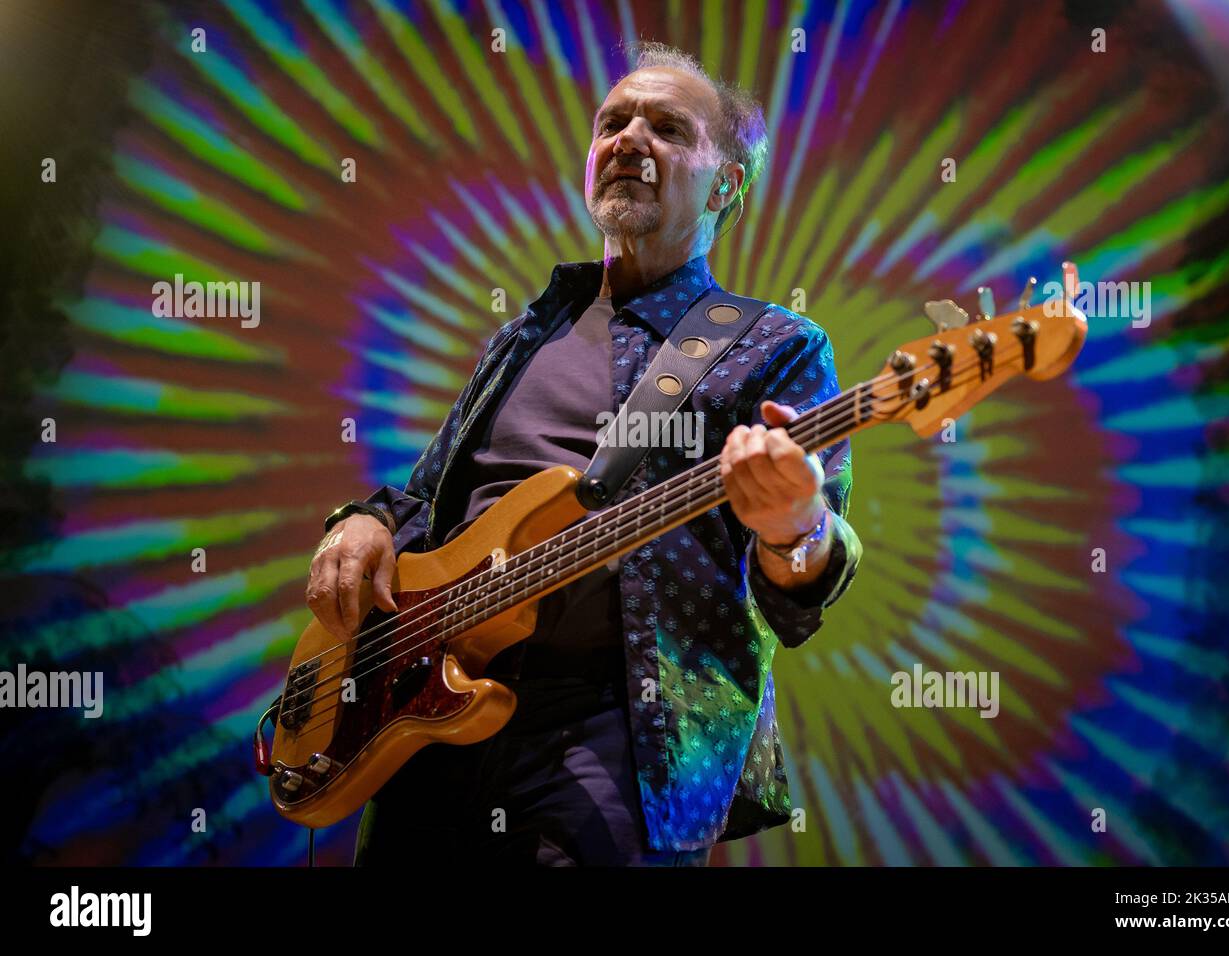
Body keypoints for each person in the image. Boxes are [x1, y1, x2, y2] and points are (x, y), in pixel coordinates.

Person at [306, 42, 861, 866]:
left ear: (728, 183)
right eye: (614, 122)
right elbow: (426, 499)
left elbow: (802, 592)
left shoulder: (771, 347)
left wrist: (794, 527)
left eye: (668, 128)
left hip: (620, 733)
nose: (631, 137)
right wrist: (363, 523)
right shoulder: (528, 332)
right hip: (426, 713)